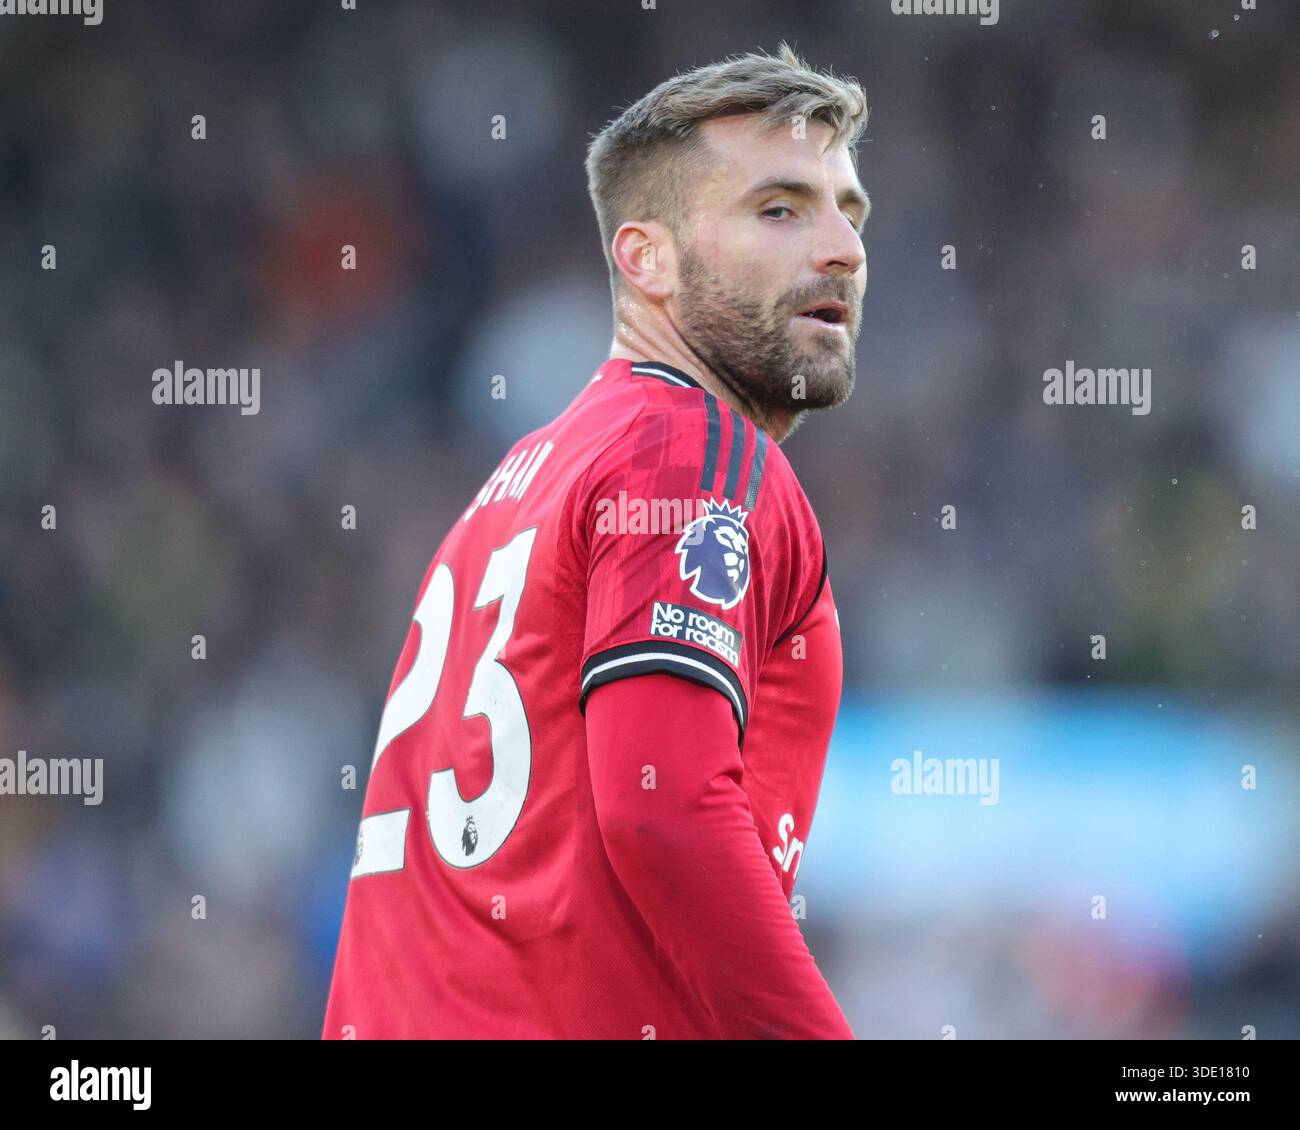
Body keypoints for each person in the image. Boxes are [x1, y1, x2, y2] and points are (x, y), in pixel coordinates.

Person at [324, 42, 868, 1039]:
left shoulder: (515, 486)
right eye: (780, 209)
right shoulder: (689, 447)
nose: (840, 246)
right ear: (644, 256)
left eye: (848, 209)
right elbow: (661, 809)